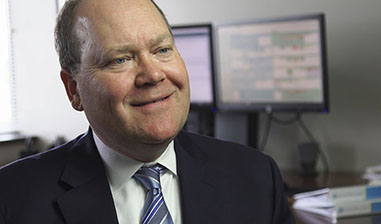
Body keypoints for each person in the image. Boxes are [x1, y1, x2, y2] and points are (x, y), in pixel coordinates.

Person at [0, 0, 295, 223]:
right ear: (74, 90)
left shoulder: (255, 177)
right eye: (120, 59)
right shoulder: (12, 199)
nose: (153, 75)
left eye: (162, 50)